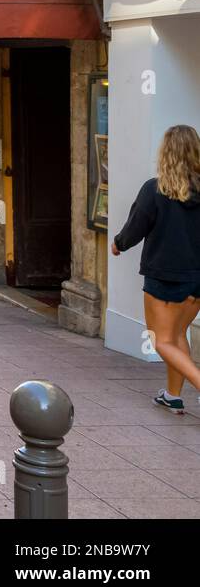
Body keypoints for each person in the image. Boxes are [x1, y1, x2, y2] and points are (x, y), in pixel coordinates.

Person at [113, 125, 200, 413]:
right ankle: (172, 395)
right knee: (177, 335)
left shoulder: (155, 189)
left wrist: (119, 244)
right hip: (196, 280)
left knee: (160, 340)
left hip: (164, 277)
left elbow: (137, 225)